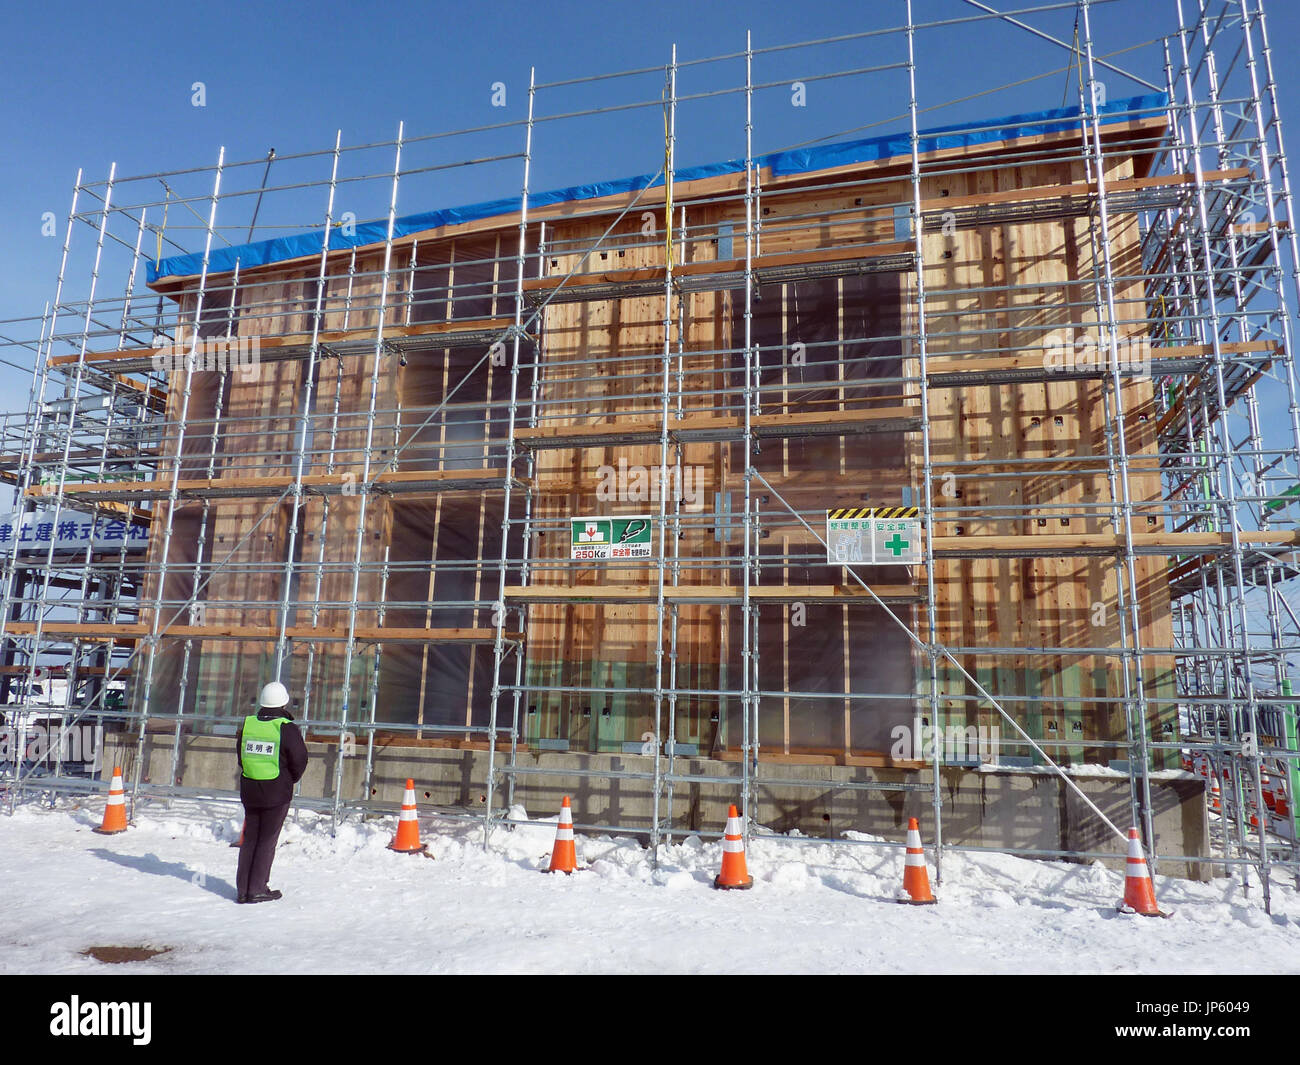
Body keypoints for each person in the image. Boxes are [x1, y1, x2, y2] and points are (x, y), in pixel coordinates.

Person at [235, 681, 308, 904]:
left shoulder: (248, 724)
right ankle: (257, 889)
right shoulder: (285, 727)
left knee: (250, 839)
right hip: (276, 792)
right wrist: (288, 780)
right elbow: (300, 759)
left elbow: (241, 756)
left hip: (250, 788)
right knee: (266, 841)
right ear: (284, 702)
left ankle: (244, 890)